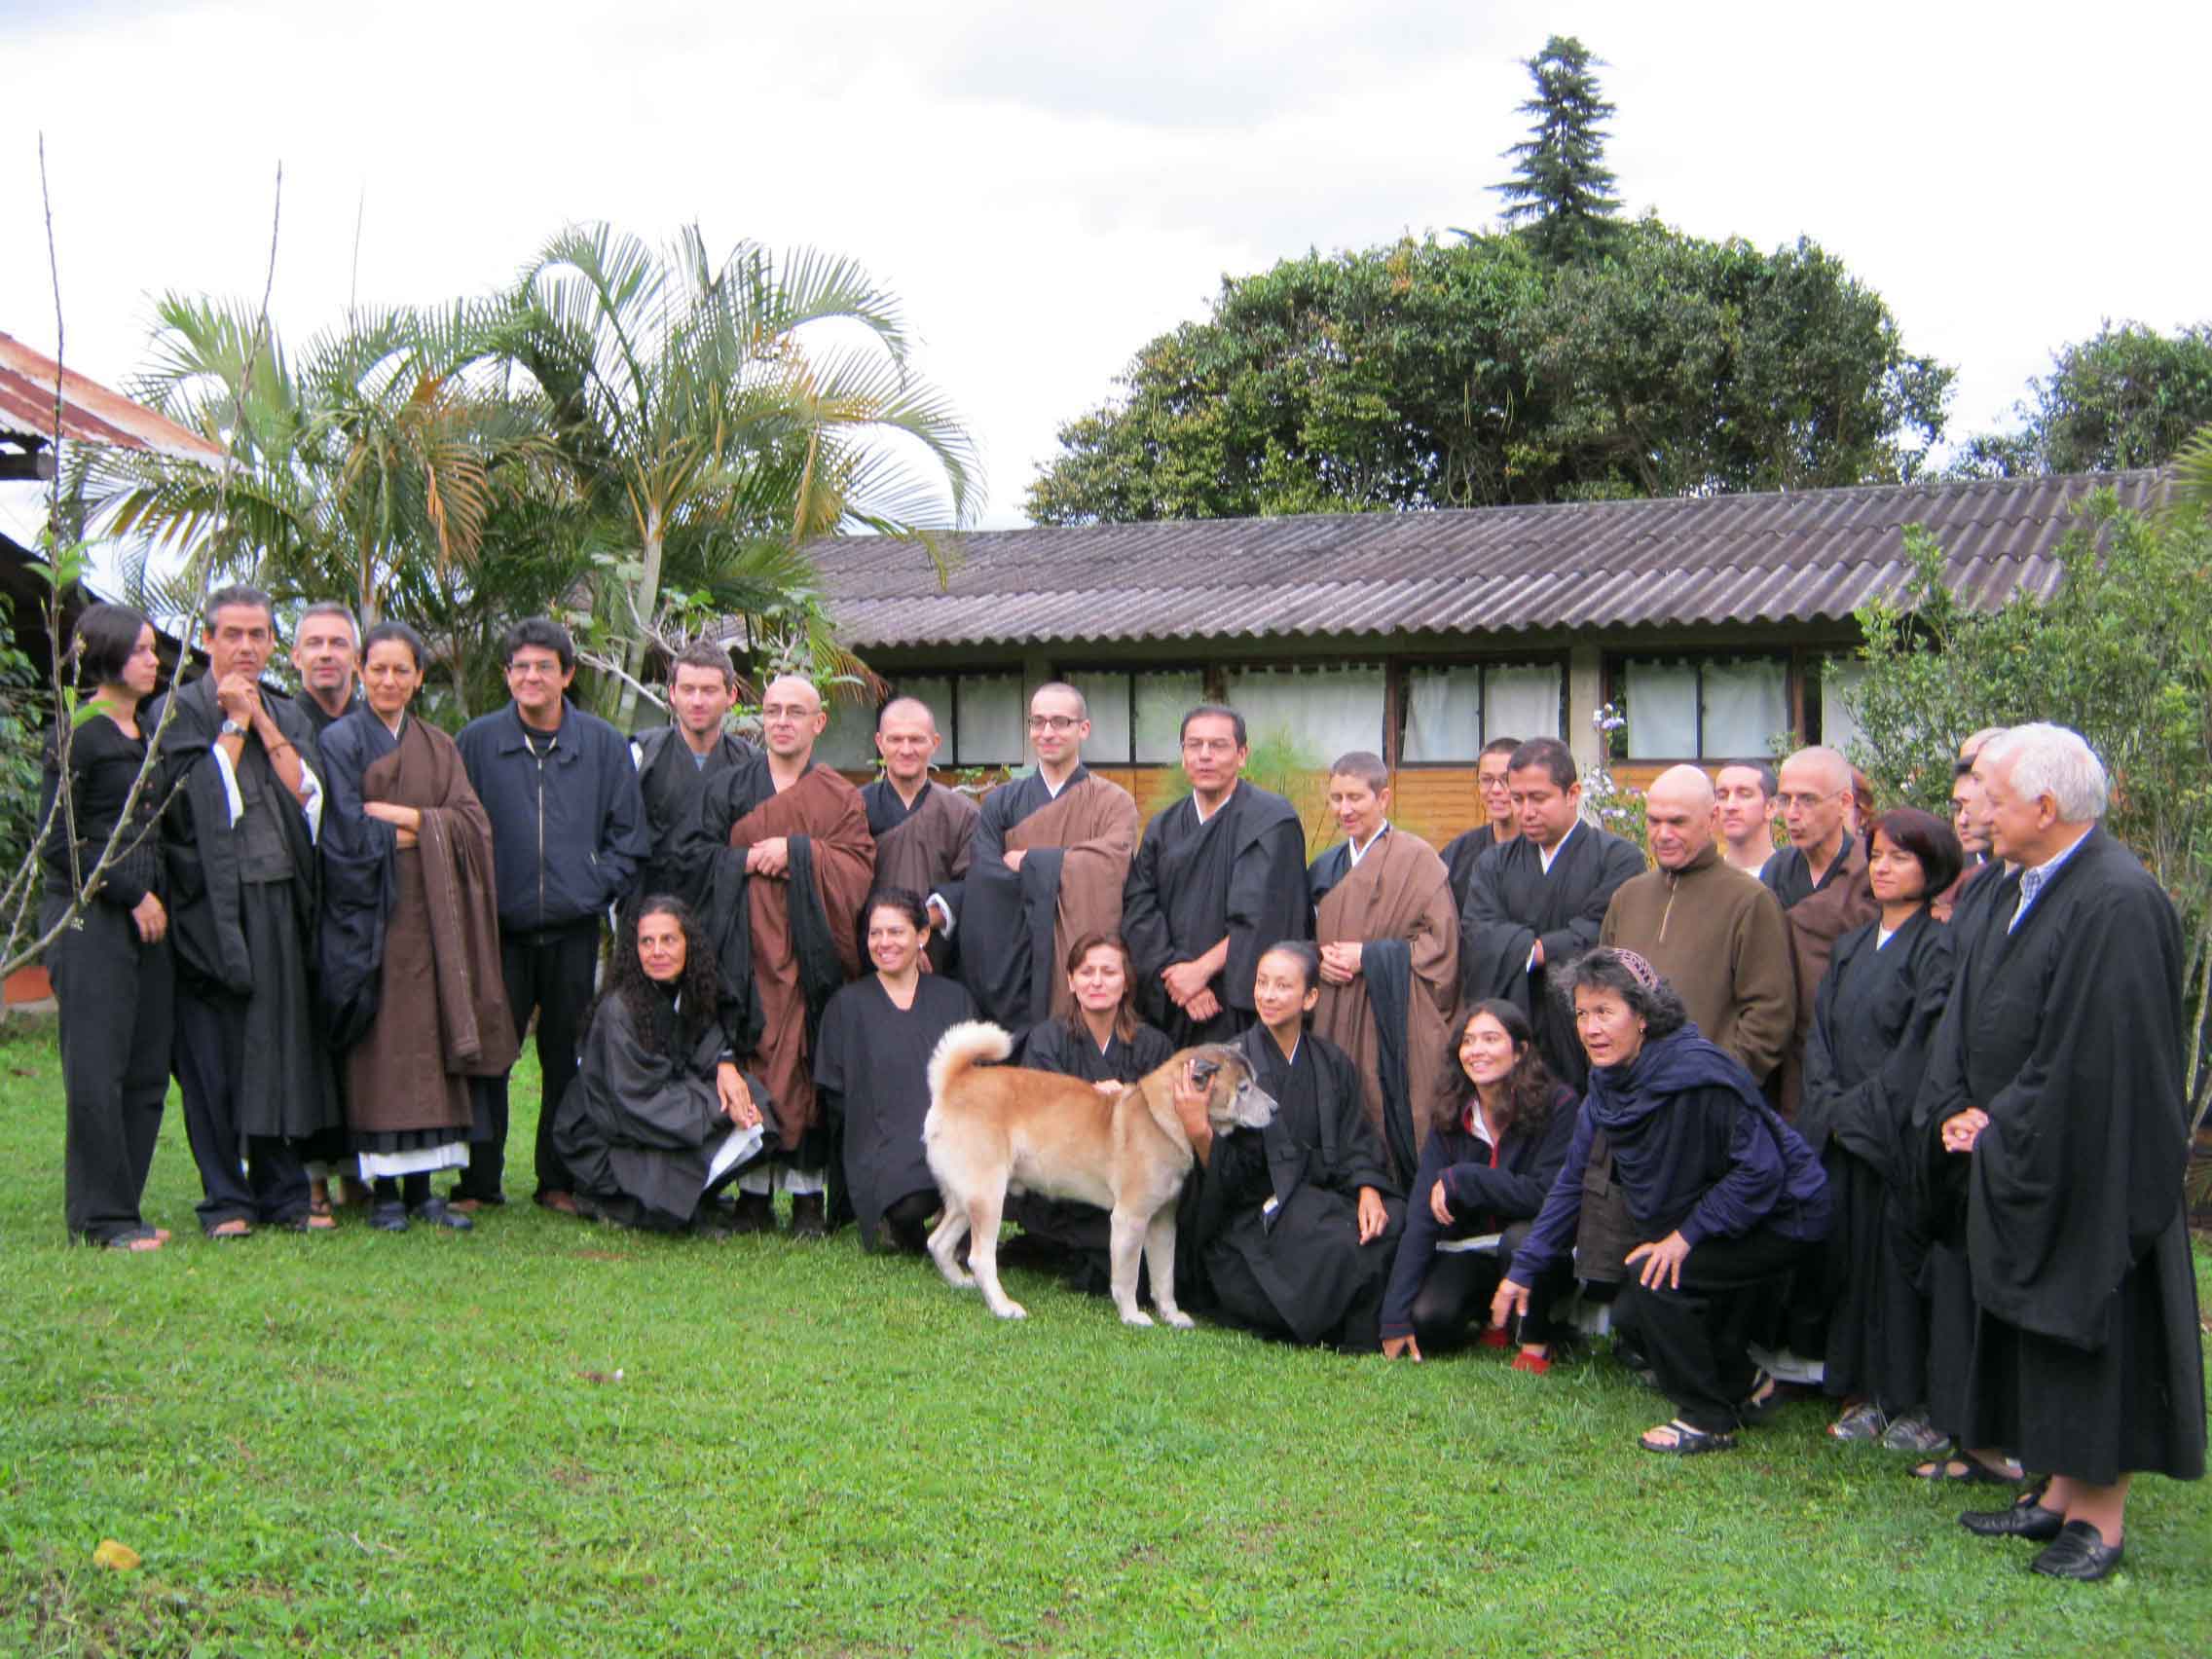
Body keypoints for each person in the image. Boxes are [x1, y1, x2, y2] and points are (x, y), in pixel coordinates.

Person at [1924, 725, 2204, 1580]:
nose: (1978, 812)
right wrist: (1961, 1102)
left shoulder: (2115, 899)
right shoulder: (2021, 884)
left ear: (2046, 808)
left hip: (2094, 1162)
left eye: (1995, 799)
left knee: (2091, 1328)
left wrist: (2001, 1121)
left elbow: (2099, 1052)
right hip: (2024, 1144)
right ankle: (2054, 1495)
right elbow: (1988, 1005)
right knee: (2031, 1326)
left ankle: (2101, 1518)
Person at [1493, 948, 1829, 1455]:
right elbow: (1572, 1182)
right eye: (1582, 1014)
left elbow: (1762, 1171)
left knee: (1655, 1279)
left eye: (1605, 1012)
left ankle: (1708, 1418)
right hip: (1724, 1216)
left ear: (1644, 1016)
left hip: (1787, 1215)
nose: (1590, 1028)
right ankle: (1748, 1385)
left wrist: (1684, 1236)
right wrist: (1525, 1267)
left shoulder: (1697, 1076)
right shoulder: (1607, 1086)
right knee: (1632, 1313)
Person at [317, 622, 517, 1234]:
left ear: (418, 677)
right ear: (360, 670)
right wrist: (428, 830)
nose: (388, 680)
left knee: (430, 1047)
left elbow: (472, 825)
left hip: (435, 921)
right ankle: (382, 1194)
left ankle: (426, 1190)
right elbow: (345, 830)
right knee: (382, 1051)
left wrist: (408, 820)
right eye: (378, 669)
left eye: (402, 670)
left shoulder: (439, 746)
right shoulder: (340, 740)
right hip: (372, 919)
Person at [152, 584, 339, 1239]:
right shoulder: (177, 713)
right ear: (206, 640)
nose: (247, 647)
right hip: (212, 909)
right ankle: (225, 1198)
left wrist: (261, 720)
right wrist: (231, 723)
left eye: (259, 635)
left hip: (282, 897)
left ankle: (285, 1193)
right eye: (233, 634)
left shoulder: (286, 712)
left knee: (283, 1045)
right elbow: (190, 809)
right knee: (213, 1052)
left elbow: (309, 801)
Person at [455, 618, 648, 1216]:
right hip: (498, 930)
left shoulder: (602, 745)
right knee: (491, 1056)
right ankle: (478, 1181)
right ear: (507, 676)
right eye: (520, 667)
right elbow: (459, 827)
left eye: (544, 666)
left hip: (572, 929)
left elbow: (629, 835)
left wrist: (593, 885)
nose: (531, 677)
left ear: (567, 675)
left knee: (566, 1059)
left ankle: (557, 1180)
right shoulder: (477, 743)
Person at [678, 673, 875, 1236]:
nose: (782, 721)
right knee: (754, 1048)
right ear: (760, 719)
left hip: (813, 953)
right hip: (743, 946)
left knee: (807, 1059)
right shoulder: (729, 788)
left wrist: (795, 852)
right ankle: (753, 1191)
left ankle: (808, 1195)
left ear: (819, 723)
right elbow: (694, 859)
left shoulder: (839, 796)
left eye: (796, 711)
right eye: (772, 710)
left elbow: (859, 869)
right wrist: (745, 860)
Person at [1798, 808, 1959, 1450]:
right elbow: (1821, 1038)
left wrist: (1862, 1110)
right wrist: (1828, 1107)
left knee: (1898, 1269)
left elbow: (1922, 1048)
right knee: (1851, 1263)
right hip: (1840, 1132)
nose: (1885, 867)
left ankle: (1914, 1400)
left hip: (1894, 1136)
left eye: (1901, 857)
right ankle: (1862, 1391)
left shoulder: (1940, 947)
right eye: (1878, 855)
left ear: (1934, 867)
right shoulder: (1852, 946)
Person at [1175, 941, 1403, 1351]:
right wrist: (1201, 1134)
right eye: (1262, 982)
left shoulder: (1331, 1061)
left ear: (1310, 997)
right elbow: (1223, 1178)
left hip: (1321, 1198)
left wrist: (1369, 1188)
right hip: (1256, 1215)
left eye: (1282, 985)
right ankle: (1350, 1324)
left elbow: (1356, 1138)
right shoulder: (1230, 1064)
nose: (1267, 995)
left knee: (1392, 1217)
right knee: (1337, 1243)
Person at [38, 604, 172, 1250]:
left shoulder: (145, 729)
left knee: (146, 1068)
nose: (155, 661)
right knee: (97, 1069)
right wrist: (131, 893)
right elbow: (57, 841)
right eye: (143, 650)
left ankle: (127, 1207)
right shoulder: (80, 731)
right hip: (90, 919)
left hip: (145, 927)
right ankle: (100, 1218)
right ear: (109, 655)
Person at [552, 897, 778, 1233]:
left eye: (668, 939)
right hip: (610, 1137)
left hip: (666, 1112)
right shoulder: (618, 1011)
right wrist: (715, 1108)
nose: (657, 951)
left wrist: (725, 1065)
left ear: (689, 943)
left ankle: (689, 1199)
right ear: (635, 950)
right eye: (647, 942)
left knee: (752, 1102)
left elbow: (710, 1047)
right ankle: (621, 1203)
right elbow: (635, 1103)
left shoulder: (692, 991)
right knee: (726, 1113)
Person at [1380, 1001, 1576, 1368]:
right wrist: (1395, 1317)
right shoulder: (1452, 1110)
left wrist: (1465, 1179)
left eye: (1490, 1039)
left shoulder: (1559, 1104)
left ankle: (1537, 1340)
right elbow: (1423, 1214)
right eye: (1468, 1041)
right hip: (1474, 1250)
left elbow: (1547, 1195)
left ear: (1520, 1051)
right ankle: (1490, 1317)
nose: (1476, 1051)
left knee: (1520, 1240)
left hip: (1539, 1248)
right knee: (1429, 1322)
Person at [1308, 751, 1458, 1185]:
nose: (1344, 809)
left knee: (1392, 1109)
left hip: (1395, 1014)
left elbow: (1442, 946)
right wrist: (1320, 960)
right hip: (1335, 1010)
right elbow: (1305, 936)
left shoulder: (1418, 860)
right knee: (1340, 1104)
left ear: (1384, 797)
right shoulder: (1325, 866)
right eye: (1336, 798)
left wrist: (1370, 957)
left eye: (1356, 797)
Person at [1460, 736, 1643, 1091]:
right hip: (1517, 1033)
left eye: (1538, 798)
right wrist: (1545, 946)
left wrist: (1524, 948)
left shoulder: (1618, 858)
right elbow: (1479, 934)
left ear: (1573, 793)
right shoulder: (1493, 863)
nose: (1526, 812)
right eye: (1518, 799)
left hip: (1586, 1036)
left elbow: (1601, 933)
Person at [1123, 705, 1309, 1047]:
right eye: (1194, 745)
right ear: (1183, 756)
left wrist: (1201, 971)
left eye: (1218, 745)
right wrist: (1180, 978)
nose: (1204, 755)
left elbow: (1266, 917)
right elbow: (1139, 909)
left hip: (1241, 1001)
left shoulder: (1271, 821)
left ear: (1242, 755)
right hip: (1173, 998)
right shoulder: (1163, 827)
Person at [1600, 765, 1793, 1088]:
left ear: (1712, 818)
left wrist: (1717, 1086)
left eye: (1677, 822)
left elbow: (1769, 1016)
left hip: (1708, 1105)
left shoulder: (1749, 900)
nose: (1663, 834)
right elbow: (1601, 993)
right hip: (1628, 1101)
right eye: (1654, 821)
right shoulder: (1628, 897)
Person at [958, 682, 1138, 1028]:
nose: (1047, 732)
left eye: (1060, 722)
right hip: (1018, 954)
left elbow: (1111, 864)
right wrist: (1060, 866)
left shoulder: (1113, 802)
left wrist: (1030, 863)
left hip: (1084, 955)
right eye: (1038, 722)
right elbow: (986, 880)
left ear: (1083, 729)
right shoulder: (1000, 803)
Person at [1003, 932, 1179, 1282]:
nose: (1096, 981)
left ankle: (1059, 1251)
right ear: (1070, 980)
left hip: (1124, 1189)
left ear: (1127, 981)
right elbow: (1037, 1117)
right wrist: (1090, 1100)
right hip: (1061, 1186)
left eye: (1109, 972)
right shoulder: (1046, 1039)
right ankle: (1051, 1244)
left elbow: (1168, 1124)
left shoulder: (1154, 1045)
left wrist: (1131, 1097)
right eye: (1086, 972)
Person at [813, 888, 976, 1252]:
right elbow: (835, 1093)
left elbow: (975, 1078)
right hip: (879, 1146)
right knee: (909, 1199)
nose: (883, 942)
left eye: (896, 932)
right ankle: (899, 1221)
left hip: (948, 1137)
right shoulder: (846, 1006)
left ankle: (954, 1220)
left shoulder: (954, 999)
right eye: (875, 933)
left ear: (922, 935)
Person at [630, 640, 759, 902]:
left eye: (709, 690)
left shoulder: (753, 765)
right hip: (652, 912)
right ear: (672, 694)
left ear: (731, 696)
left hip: (726, 911)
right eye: (688, 690)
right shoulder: (641, 755)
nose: (697, 701)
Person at [861, 696, 978, 976]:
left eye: (916, 740)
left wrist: (920, 928)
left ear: (935, 743)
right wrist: (893, 937)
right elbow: (843, 884)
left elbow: (975, 883)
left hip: (939, 960)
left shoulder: (962, 812)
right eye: (895, 739)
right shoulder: (854, 808)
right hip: (869, 956)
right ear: (880, 742)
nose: (906, 749)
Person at [1759, 746, 1856, 907]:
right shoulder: (1777, 870)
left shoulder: (1866, 870)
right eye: (1785, 800)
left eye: (1808, 800)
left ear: (1844, 803)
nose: (1791, 814)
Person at [1439, 736, 1521, 915]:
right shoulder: (1458, 853)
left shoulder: (1543, 852)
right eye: (1486, 780)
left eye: (1506, 779)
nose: (1496, 789)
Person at [289, 602, 362, 741]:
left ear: (357, 660)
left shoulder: (379, 731)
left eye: (338, 643)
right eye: (314, 643)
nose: (326, 654)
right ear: (297, 657)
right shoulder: (276, 726)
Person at [1714, 760, 1779, 876]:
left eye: (1744, 795)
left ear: (1771, 807)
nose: (1730, 806)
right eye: (1722, 796)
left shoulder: (1794, 880)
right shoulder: (1704, 881)